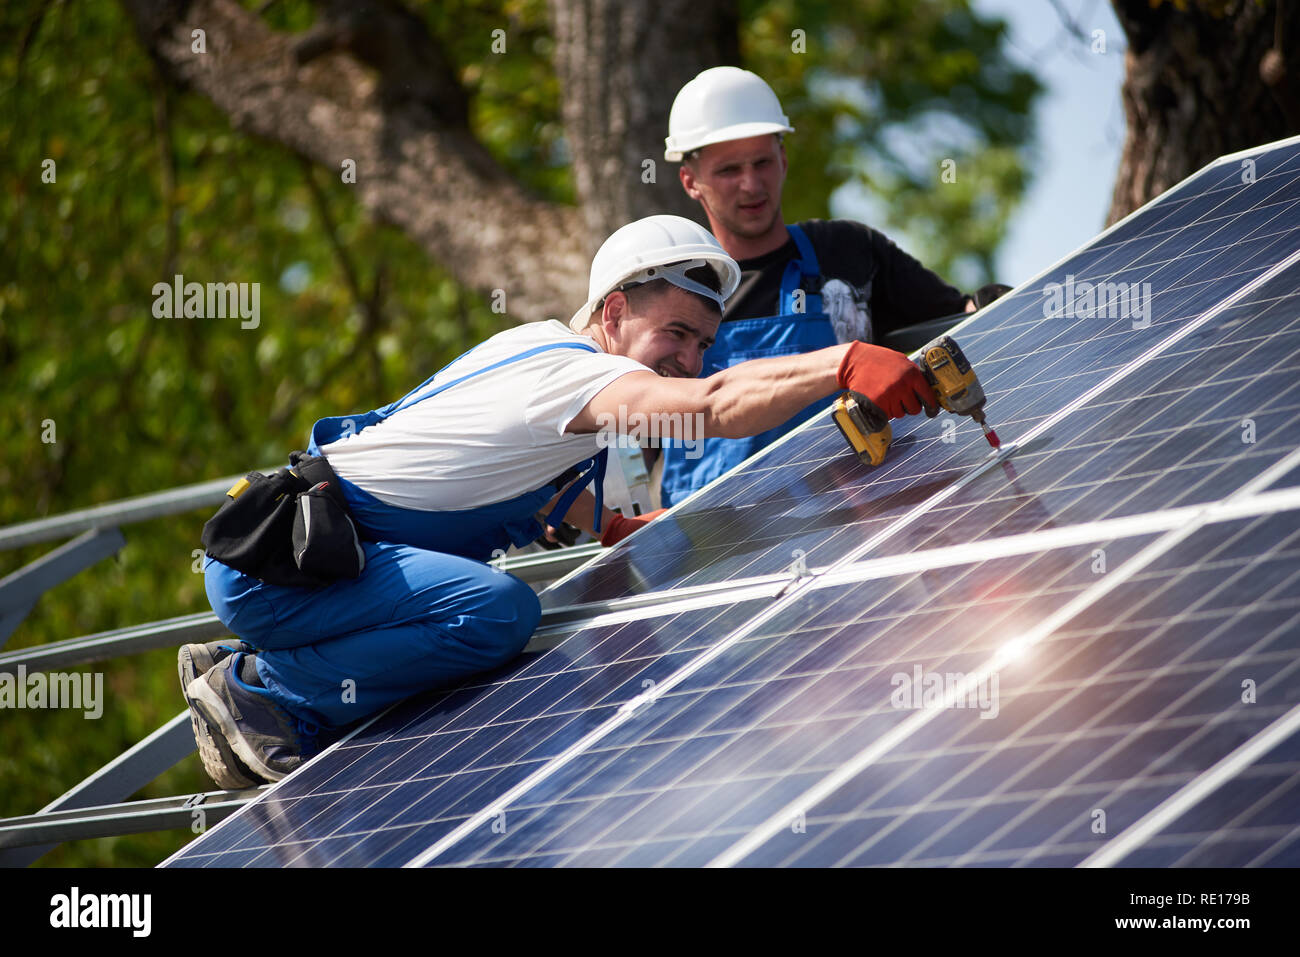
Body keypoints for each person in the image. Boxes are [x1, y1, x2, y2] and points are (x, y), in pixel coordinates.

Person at [180, 214, 939, 788]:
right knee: (497, 613)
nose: (689, 357)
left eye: (703, 341)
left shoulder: (534, 345)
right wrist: (843, 360)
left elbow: (516, 473)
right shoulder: (573, 379)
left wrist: (609, 523)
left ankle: (272, 659)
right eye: (674, 330)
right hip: (288, 569)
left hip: (313, 563)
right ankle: (262, 693)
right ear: (613, 315)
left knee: (498, 605)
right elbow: (706, 406)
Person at [658, 66, 1008, 506]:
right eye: (729, 170)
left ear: (783, 160)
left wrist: (989, 308)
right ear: (691, 181)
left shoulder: (848, 250)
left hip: (866, 516)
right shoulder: (670, 291)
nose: (751, 184)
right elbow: (626, 410)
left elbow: (949, 319)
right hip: (718, 532)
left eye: (762, 162)